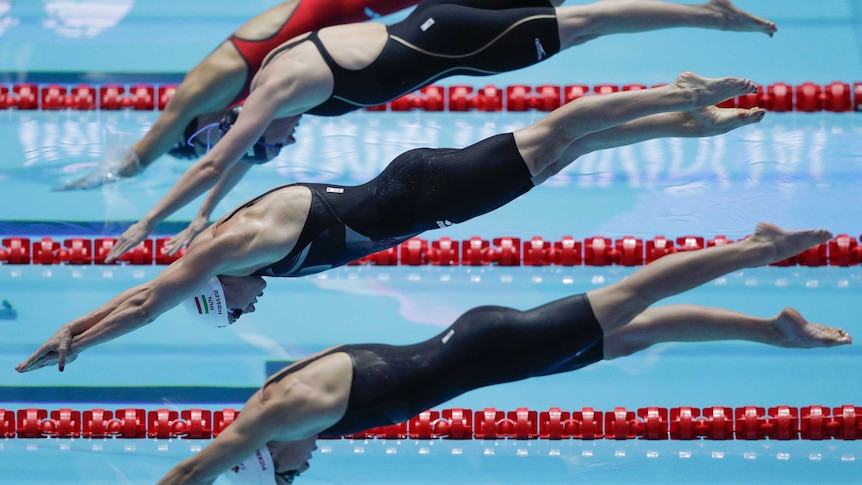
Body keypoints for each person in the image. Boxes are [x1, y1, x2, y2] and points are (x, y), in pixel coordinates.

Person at [17, 71, 767, 373]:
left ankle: (680, 93)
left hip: (429, 189)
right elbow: (152, 290)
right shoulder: (242, 254)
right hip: (428, 195)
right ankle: (687, 123)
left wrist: (78, 335)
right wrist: (84, 325)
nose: (253, 306)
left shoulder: (240, 245)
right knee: (565, 152)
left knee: (560, 131)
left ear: (220, 287)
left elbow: (153, 298)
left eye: (233, 307)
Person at [151, 222, 851, 484]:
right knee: (637, 330)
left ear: (265, 455)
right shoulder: (292, 398)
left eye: (287, 478)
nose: (304, 473)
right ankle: (770, 331)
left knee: (633, 296)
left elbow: (195, 467)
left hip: (493, 346)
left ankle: (754, 250)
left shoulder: (285, 412)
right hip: (492, 353)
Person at [98, 0, 778, 261]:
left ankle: (709, 18)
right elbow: (231, 167)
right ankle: (687, 93)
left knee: (584, 23)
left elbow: (219, 163)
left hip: (455, 33)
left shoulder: (276, 88)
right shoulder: (277, 104)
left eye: (262, 146)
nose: (281, 150)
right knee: (574, 35)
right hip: (448, 46)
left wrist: (150, 221)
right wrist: (199, 222)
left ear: (232, 120)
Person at [57, 0, 422, 191]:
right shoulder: (241, 99)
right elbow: (246, 156)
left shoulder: (202, 87)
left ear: (193, 125)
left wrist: (106, 178)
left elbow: (146, 149)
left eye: (210, 139)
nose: (224, 137)